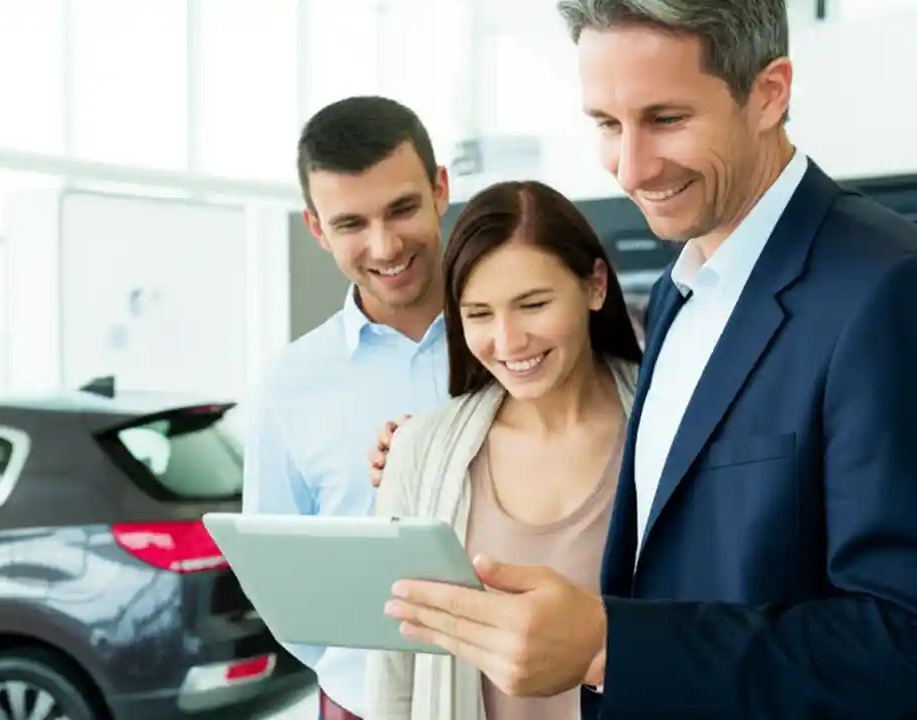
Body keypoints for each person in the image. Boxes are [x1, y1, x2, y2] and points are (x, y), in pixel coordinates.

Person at [372, 0, 917, 717]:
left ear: (769, 94)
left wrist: (610, 643)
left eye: (666, 119)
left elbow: (901, 641)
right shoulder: (676, 293)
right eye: (605, 123)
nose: (630, 168)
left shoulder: (885, 287)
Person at [367, 180, 642, 720]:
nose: (509, 341)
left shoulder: (671, 427)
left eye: (533, 304)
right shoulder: (420, 451)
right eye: (479, 314)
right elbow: (394, 665)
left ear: (595, 286)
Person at [241, 95, 452, 720]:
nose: (385, 246)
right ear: (316, 228)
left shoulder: (517, 345)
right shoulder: (288, 386)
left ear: (441, 189)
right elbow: (282, 586)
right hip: (365, 704)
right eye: (351, 224)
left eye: (402, 209)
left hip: (520, 694)